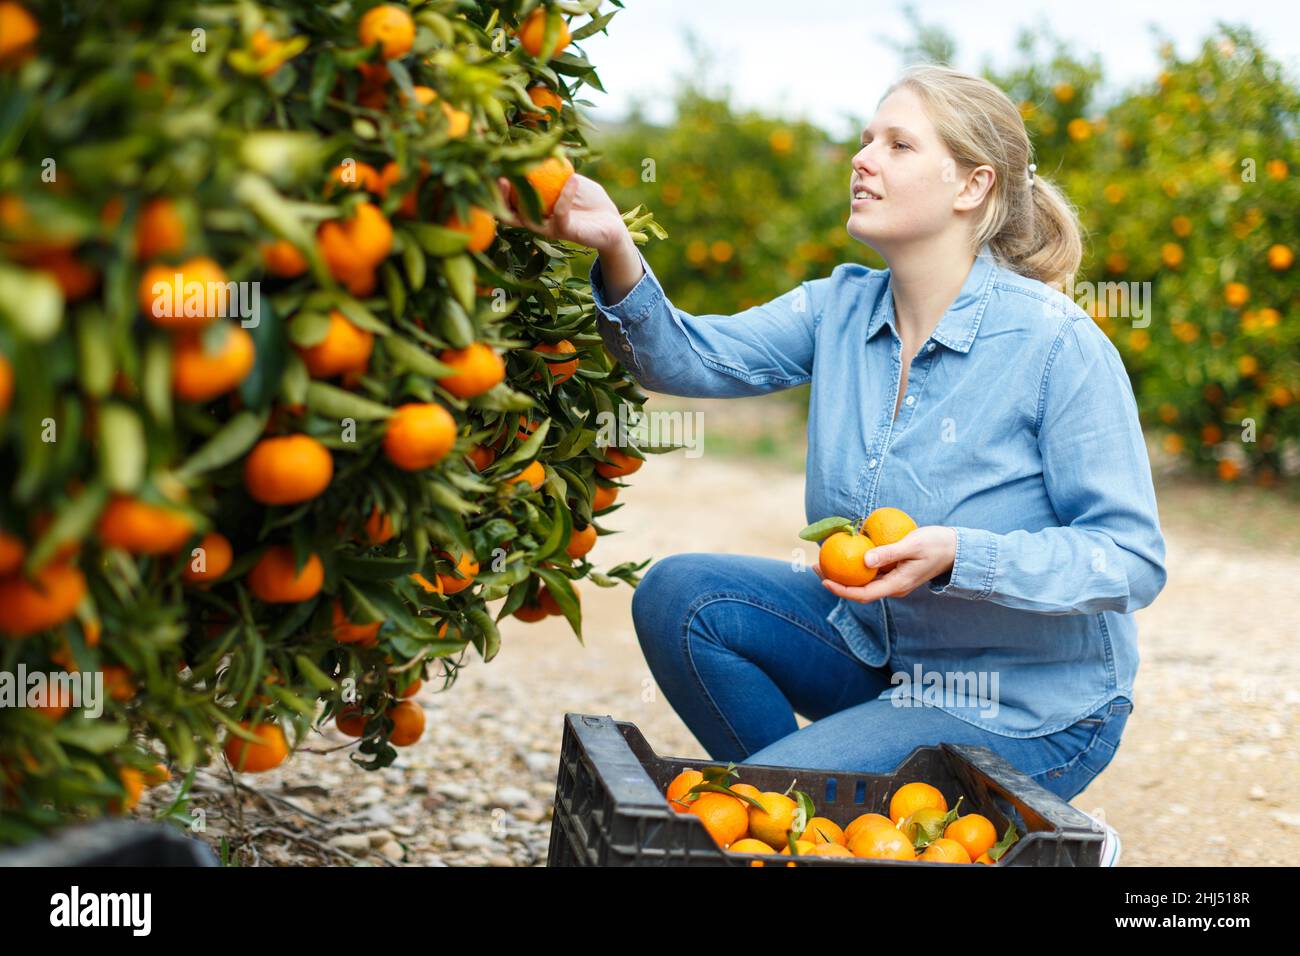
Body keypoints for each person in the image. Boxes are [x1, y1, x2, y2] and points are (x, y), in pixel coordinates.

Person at [497, 63, 1166, 804]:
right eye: (865, 139)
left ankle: (841, 812)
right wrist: (615, 245)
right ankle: (818, 817)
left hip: (1025, 707)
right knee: (679, 596)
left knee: (784, 795)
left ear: (972, 186)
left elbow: (1131, 561)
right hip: (882, 652)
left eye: (898, 145)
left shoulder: (1054, 345)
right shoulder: (838, 308)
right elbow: (686, 357)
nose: (863, 158)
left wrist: (962, 556)